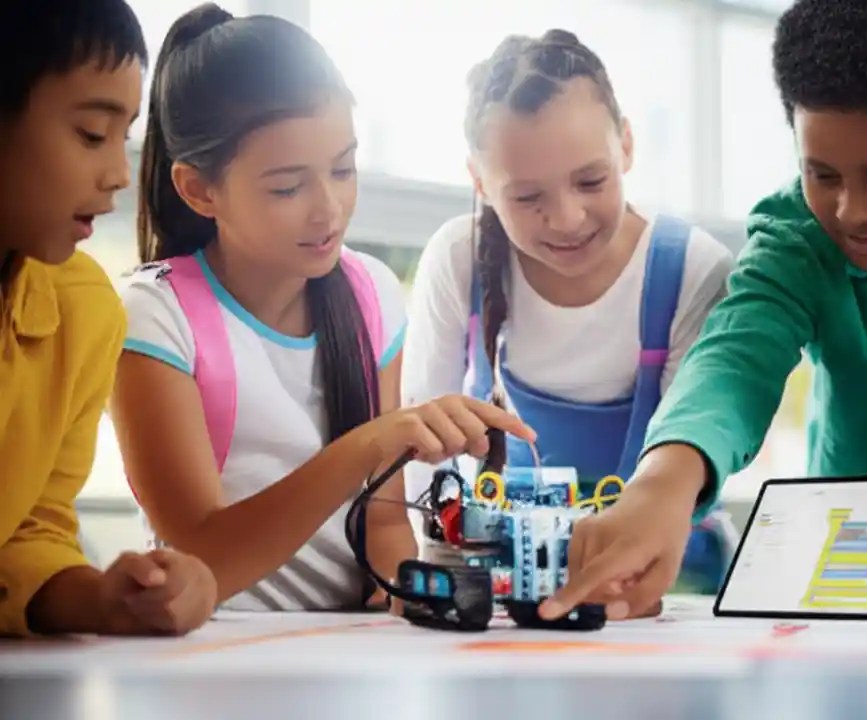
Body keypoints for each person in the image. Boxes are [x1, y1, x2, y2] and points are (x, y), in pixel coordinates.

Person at [539, 0, 867, 620]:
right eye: (821, 173)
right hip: (854, 564)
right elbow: (736, 356)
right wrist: (663, 484)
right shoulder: (796, 235)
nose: (851, 212)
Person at [110, 3, 533, 613]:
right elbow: (199, 559)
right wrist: (364, 447)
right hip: (214, 657)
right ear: (199, 190)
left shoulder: (372, 295)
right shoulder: (157, 316)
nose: (328, 208)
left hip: (346, 656)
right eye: (287, 186)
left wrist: (418, 604)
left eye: (343, 169)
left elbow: (385, 529)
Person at [401, 30, 736, 596]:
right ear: (480, 182)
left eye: (591, 180)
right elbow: (420, 459)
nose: (566, 218)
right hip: (506, 590)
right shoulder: (460, 259)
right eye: (528, 198)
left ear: (626, 144)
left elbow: (694, 446)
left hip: (665, 581)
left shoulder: (692, 271)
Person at [0, 0, 215, 637]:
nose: (119, 174)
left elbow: (30, 535)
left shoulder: (82, 310)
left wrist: (111, 598)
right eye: (92, 134)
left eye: (122, 139)